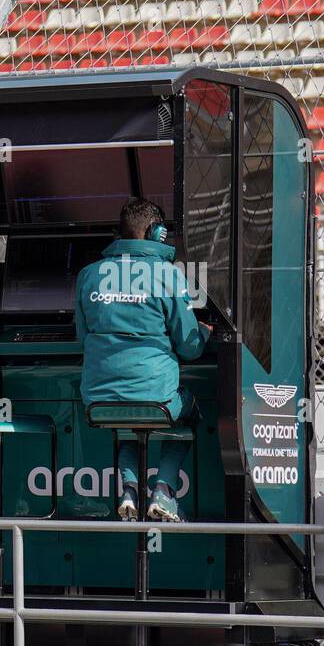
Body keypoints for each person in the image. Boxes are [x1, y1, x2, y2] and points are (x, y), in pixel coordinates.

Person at [75, 197, 213, 523]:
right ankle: (163, 490)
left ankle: (128, 490)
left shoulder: (87, 275)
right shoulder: (168, 275)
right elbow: (190, 347)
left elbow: (82, 337)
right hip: (157, 399)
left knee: (127, 424)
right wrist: (203, 332)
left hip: (98, 400)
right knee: (187, 413)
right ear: (156, 233)